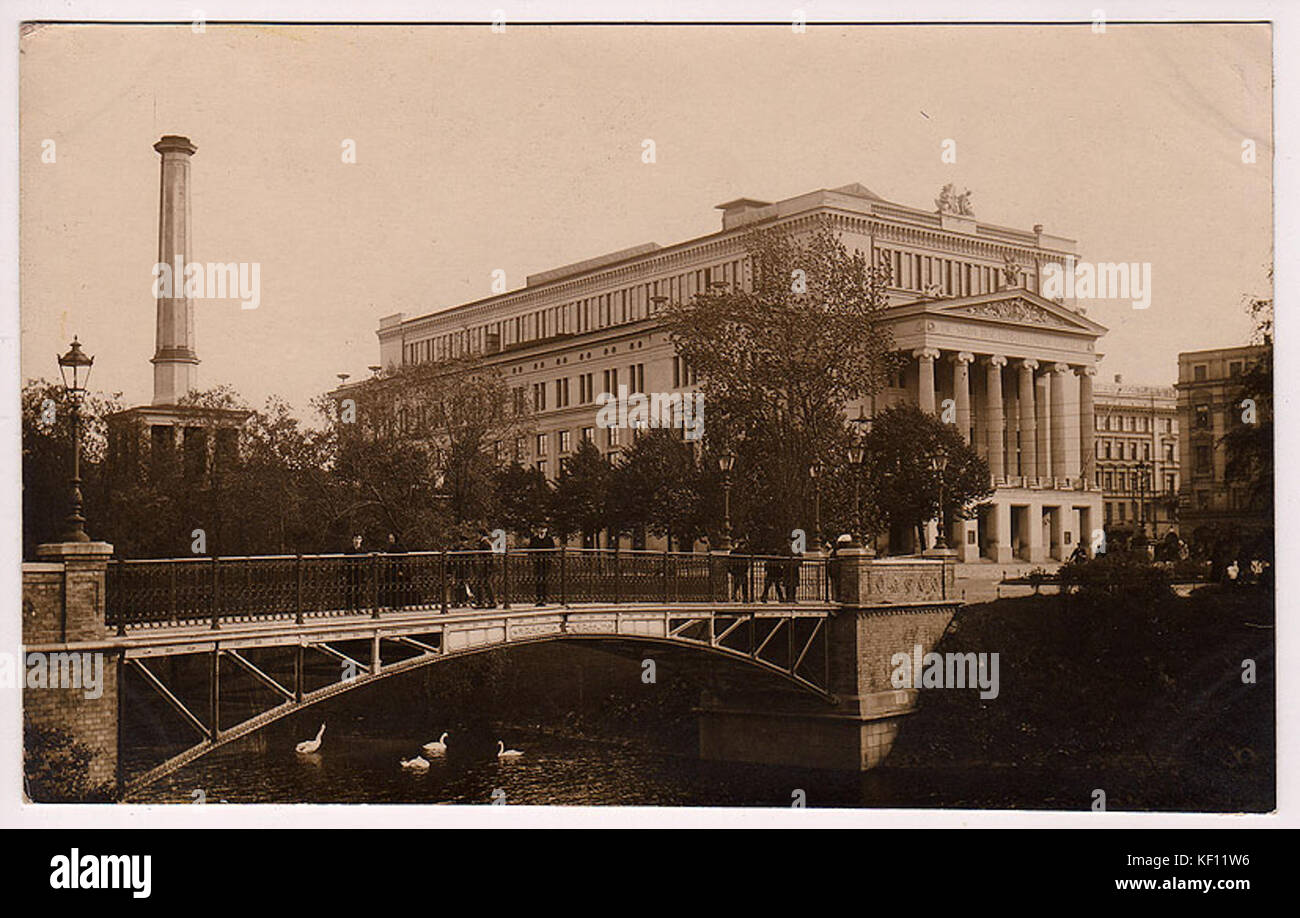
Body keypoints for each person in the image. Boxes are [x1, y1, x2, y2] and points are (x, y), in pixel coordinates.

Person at [528, 525, 556, 605]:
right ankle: (538, 598)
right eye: (540, 528)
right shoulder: (534, 539)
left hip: (546, 563)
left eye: (543, 528)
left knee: (545, 579)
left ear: (546, 530)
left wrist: (549, 558)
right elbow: (530, 550)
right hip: (537, 562)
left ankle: (545, 598)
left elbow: (553, 551)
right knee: (538, 579)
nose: (542, 530)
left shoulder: (549, 539)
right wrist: (533, 559)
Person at [474, 527, 497, 608]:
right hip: (484, 566)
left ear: (481, 534)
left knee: (485, 583)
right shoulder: (484, 542)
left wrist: (487, 567)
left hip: (485, 567)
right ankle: (484, 601)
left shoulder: (485, 543)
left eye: (477, 534)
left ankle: (490, 601)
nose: (476, 536)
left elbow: (488, 556)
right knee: (483, 583)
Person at [345, 534, 366, 612]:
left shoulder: (363, 550)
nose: (357, 541)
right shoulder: (349, 550)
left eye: (359, 539)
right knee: (350, 589)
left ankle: (358, 607)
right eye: (356, 539)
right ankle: (349, 608)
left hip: (359, 572)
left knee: (359, 589)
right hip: (351, 572)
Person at [728, 537, 751, 602]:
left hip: (736, 570)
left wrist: (731, 570)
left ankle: (734, 596)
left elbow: (730, 561)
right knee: (744, 585)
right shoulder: (745, 552)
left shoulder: (733, 551)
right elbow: (746, 562)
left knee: (736, 584)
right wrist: (746, 569)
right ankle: (745, 598)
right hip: (742, 570)